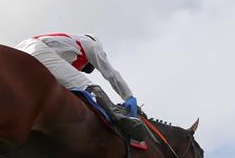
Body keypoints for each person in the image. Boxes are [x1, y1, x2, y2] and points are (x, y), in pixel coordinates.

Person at [15, 32, 147, 140]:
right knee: (88, 87)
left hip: (19, 52)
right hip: (35, 49)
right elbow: (111, 74)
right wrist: (129, 96)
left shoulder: (65, 45)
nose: (84, 68)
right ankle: (122, 121)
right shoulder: (92, 45)